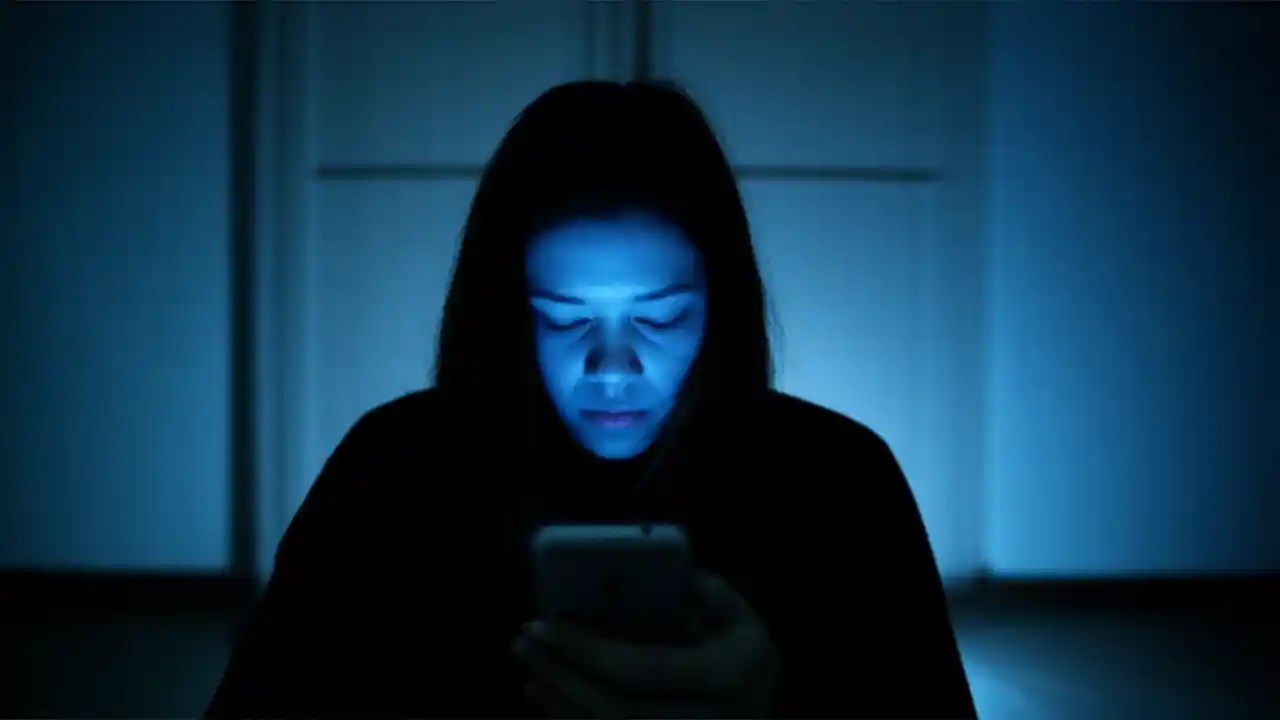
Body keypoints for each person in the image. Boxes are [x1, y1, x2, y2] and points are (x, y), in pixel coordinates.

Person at [203, 79, 977, 719]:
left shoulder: (839, 480)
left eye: (662, 315)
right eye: (567, 317)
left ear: (721, 303)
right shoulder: (393, 466)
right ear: (509, 313)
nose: (613, 366)